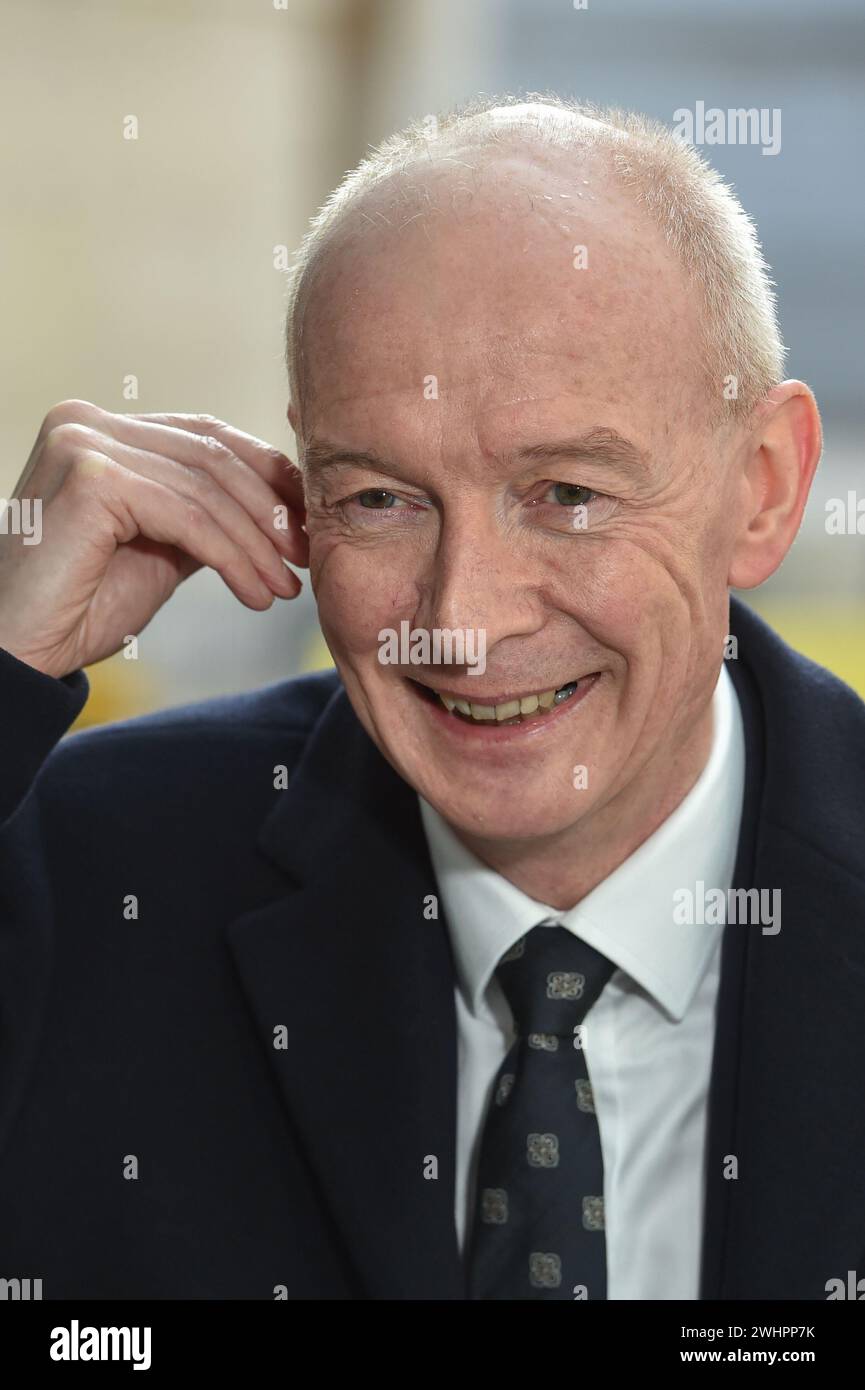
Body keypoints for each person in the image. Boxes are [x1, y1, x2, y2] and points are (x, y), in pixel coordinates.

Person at [0, 96, 861, 1302]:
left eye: (564, 492)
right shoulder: (87, 866)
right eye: (379, 500)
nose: (460, 621)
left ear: (762, 490)